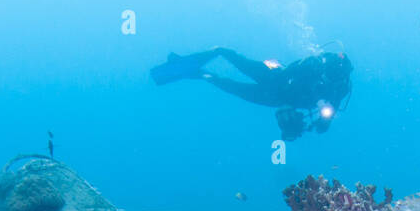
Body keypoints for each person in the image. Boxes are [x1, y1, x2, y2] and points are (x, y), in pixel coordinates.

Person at [151, 46, 352, 141]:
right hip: (274, 80)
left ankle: (196, 73)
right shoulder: (314, 64)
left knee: (225, 84)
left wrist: (322, 122)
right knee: (226, 53)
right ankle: (180, 66)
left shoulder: (341, 87)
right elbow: (290, 71)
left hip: (273, 98)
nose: (333, 77)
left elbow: (329, 115)